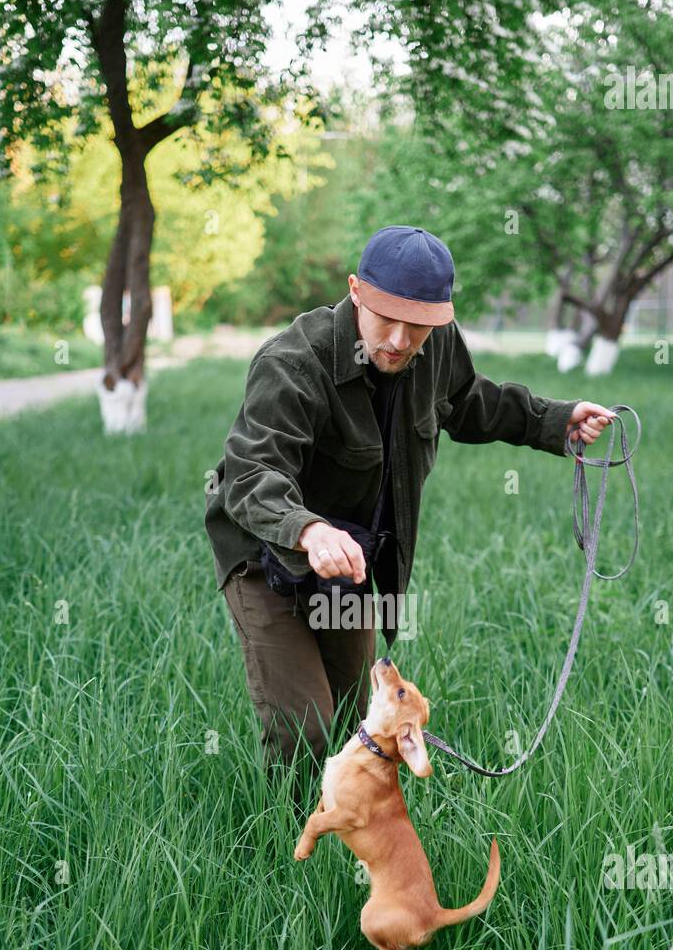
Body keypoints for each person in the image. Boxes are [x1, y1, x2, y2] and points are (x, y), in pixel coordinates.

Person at [205, 225, 613, 774]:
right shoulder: (294, 362)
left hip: (350, 559)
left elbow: (469, 401)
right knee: (306, 726)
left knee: (360, 715)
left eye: (418, 325)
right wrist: (309, 530)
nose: (400, 339)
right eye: (387, 319)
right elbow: (252, 471)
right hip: (265, 551)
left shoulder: (436, 344)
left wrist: (556, 421)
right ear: (355, 291)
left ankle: (353, 840)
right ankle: (287, 849)